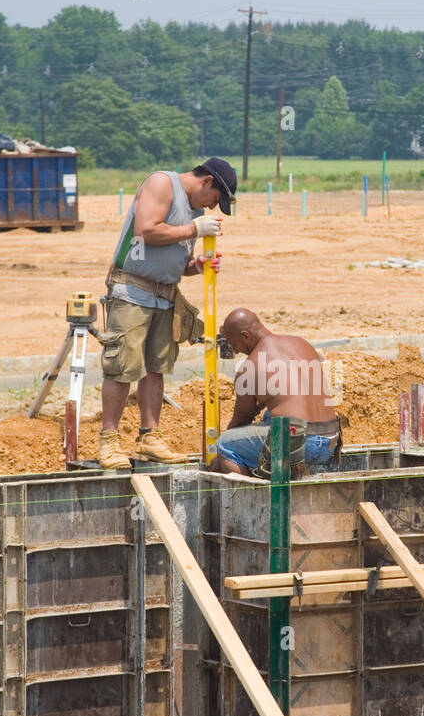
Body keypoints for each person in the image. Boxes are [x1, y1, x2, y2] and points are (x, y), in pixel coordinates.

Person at [98, 158, 236, 468]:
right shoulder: (162, 183)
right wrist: (192, 229)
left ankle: (150, 437)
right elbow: (146, 230)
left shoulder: (195, 211)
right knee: (122, 365)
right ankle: (108, 441)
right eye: (215, 200)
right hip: (132, 291)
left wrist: (195, 267)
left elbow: (171, 259)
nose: (212, 208)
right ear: (207, 182)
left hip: (164, 295)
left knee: (156, 367)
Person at [209, 307, 342, 477]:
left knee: (225, 444)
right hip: (330, 440)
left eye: (234, 344)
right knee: (269, 417)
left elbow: (241, 419)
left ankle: (257, 498)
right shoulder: (302, 343)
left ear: (245, 336)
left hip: (300, 444)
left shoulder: (250, 366)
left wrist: (220, 456)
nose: (235, 351)